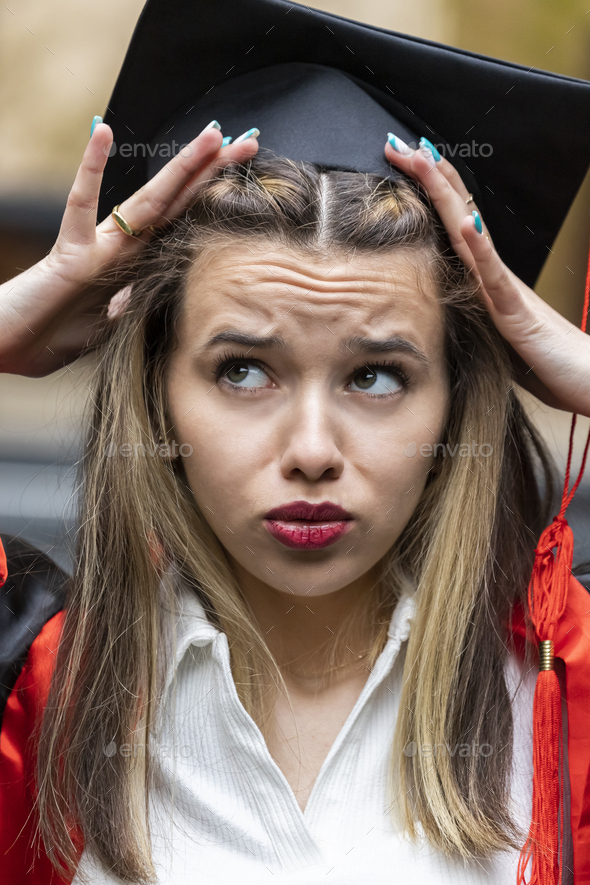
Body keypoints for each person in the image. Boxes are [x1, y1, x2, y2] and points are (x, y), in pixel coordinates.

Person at [1, 1, 590, 883]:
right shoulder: (32, 691)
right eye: (243, 369)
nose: (312, 449)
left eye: (376, 375)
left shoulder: (567, 686)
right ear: (156, 392)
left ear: (456, 397)